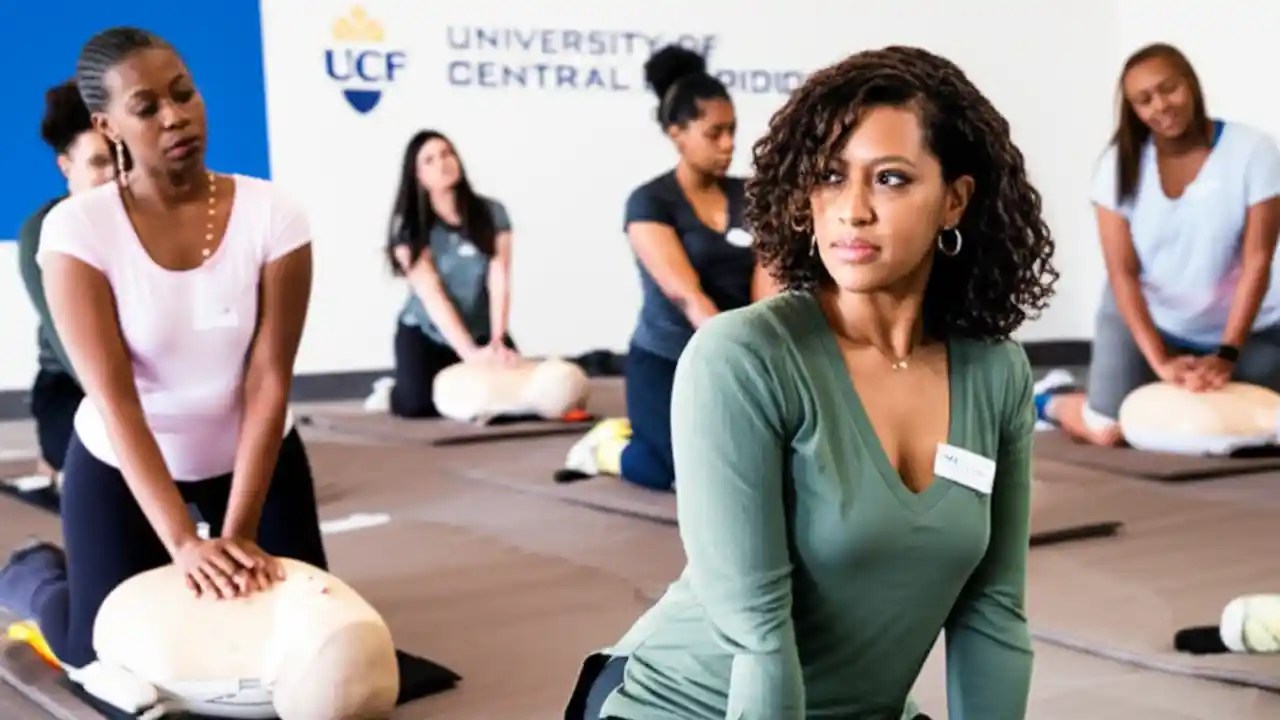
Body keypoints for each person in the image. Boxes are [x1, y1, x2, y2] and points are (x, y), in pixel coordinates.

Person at [564, 45, 1057, 720]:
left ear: (954, 200)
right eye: (828, 176)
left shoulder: (996, 372)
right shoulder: (743, 356)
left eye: (889, 179)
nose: (851, 210)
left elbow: (993, 614)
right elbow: (759, 642)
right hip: (689, 706)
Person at [0, 26, 328, 671]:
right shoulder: (76, 229)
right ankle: (35, 575)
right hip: (123, 459)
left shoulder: (273, 213)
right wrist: (182, 542)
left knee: (302, 638)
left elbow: (267, 380)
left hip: (251, 456)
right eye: (148, 107)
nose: (176, 117)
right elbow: (115, 399)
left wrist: (235, 537)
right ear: (109, 124)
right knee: (94, 653)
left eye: (185, 94)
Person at [1037, 43, 1280, 446]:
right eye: (1144, 100)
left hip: (1247, 330)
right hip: (1150, 319)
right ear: (1133, 109)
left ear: (1191, 84)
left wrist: (1227, 354)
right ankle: (1049, 399)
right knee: (1107, 431)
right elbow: (1122, 273)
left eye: (1169, 89)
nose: (1161, 106)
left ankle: (1156, 379)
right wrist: (1160, 360)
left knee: (1249, 419)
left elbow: (1258, 261)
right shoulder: (1116, 166)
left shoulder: (1253, 152)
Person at [562, 45, 778, 492]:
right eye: (714, 133)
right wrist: (734, 360)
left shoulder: (754, 197)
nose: (728, 144)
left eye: (732, 131)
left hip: (739, 355)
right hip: (668, 359)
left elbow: (768, 289)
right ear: (677, 133)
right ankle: (607, 447)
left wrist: (764, 361)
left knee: (764, 468)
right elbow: (688, 296)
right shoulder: (650, 202)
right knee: (685, 475)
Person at [378, 129, 521, 419]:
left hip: (480, 328)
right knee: (419, 406)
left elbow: (499, 278)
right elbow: (434, 297)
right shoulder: (408, 228)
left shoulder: (492, 213)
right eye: (429, 160)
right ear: (417, 175)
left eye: (447, 154)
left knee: (511, 401)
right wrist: (468, 354)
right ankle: (391, 390)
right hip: (428, 333)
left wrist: (497, 340)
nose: (442, 163)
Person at [17, 80, 115, 481]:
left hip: (155, 380)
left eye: (121, 158)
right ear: (66, 167)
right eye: (97, 162)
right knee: (101, 461)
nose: (114, 176)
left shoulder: (150, 217)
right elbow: (78, 355)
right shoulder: (45, 231)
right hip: (73, 383)